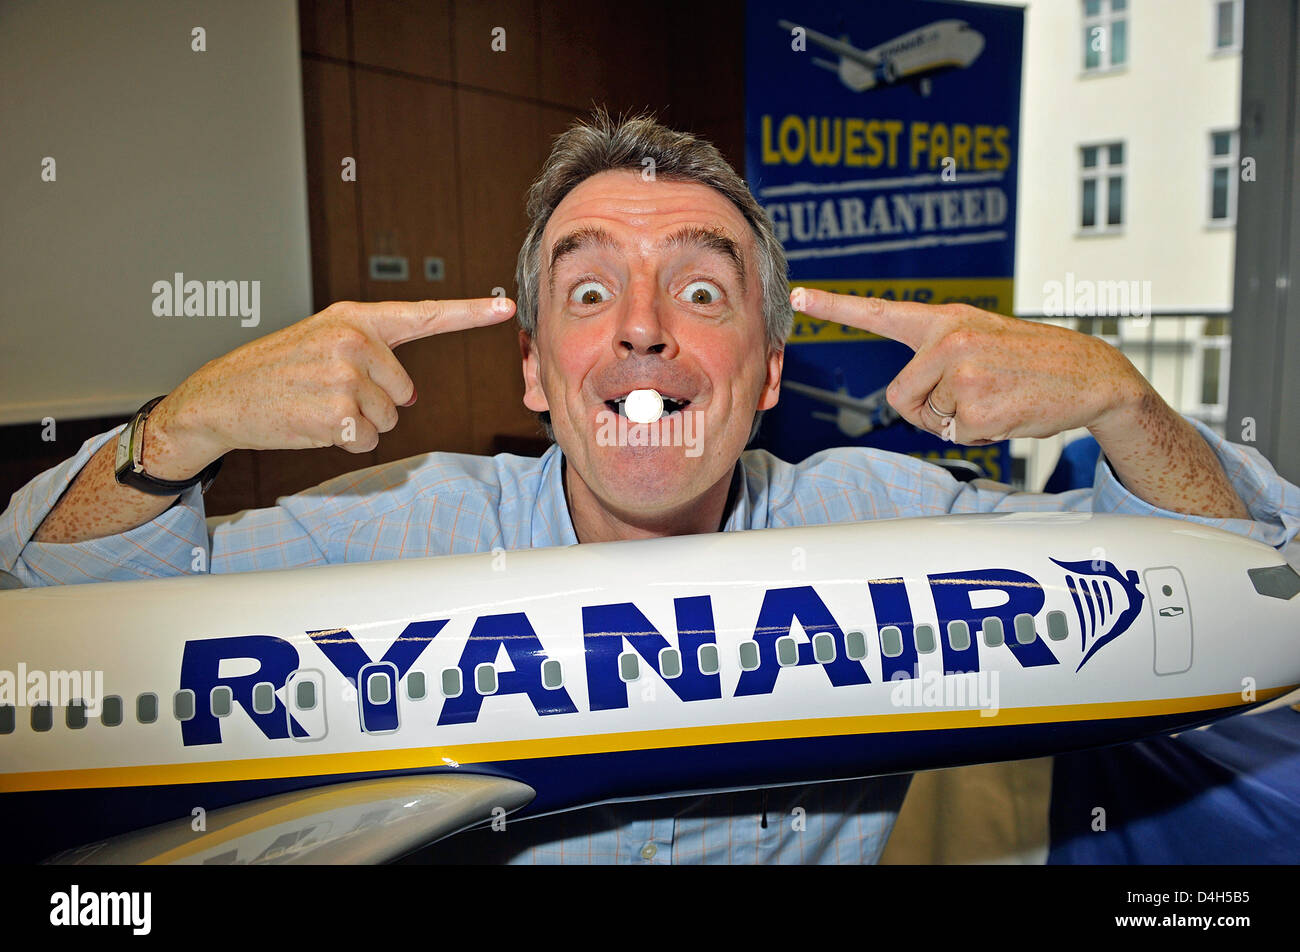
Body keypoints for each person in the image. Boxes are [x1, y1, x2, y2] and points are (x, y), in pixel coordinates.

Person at [3, 110, 1297, 864]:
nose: (639, 331)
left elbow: (1241, 590)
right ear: (532, 371)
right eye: (585, 291)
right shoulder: (390, 542)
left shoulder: (885, 535)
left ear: (770, 365)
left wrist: (1125, 401)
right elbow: (39, 627)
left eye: (698, 289)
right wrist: (170, 435)